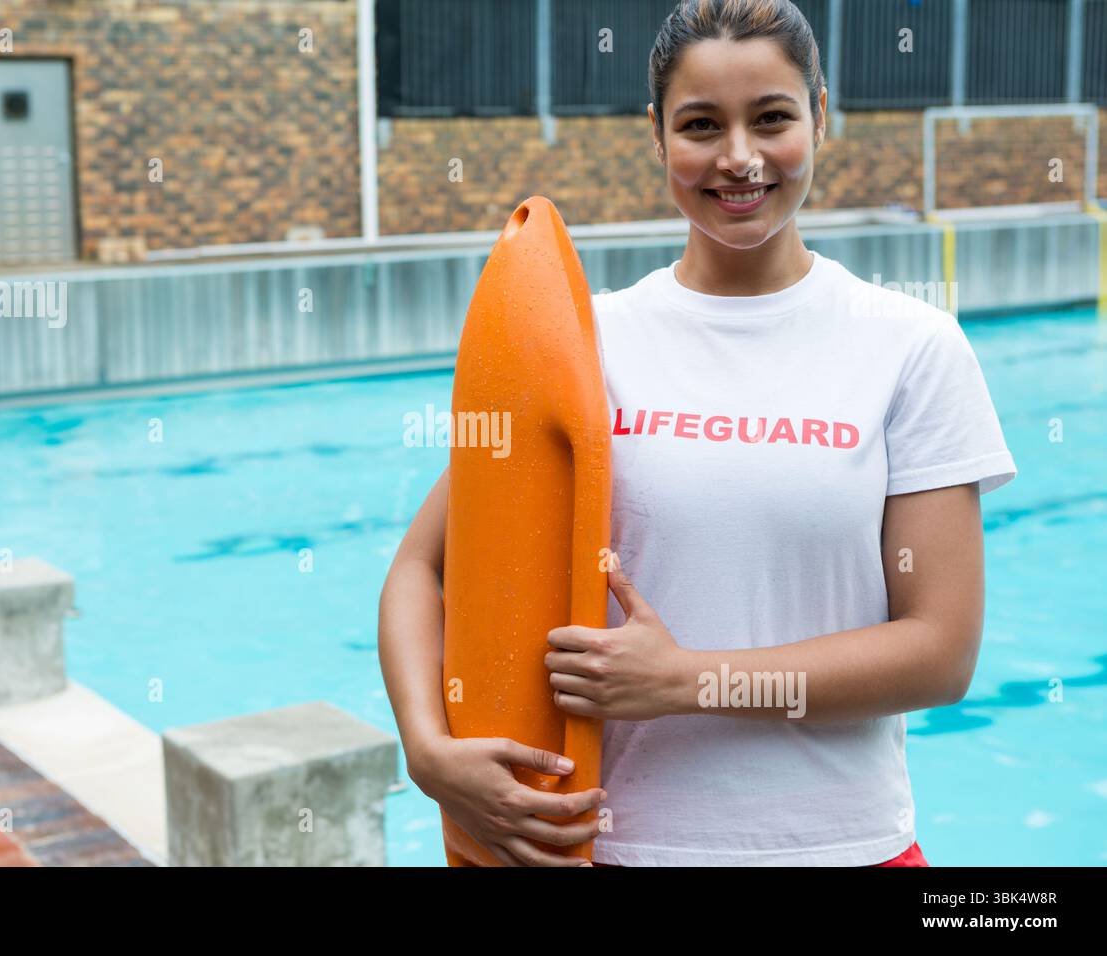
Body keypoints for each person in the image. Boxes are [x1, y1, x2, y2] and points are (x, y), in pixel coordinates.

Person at [377, 0, 1017, 867]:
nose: (740, 159)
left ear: (821, 116)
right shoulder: (587, 341)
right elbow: (421, 569)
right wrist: (427, 753)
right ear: (658, 134)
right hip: (618, 848)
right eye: (702, 126)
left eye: (773, 118)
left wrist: (687, 681)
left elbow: (939, 652)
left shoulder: (910, 345)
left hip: (840, 847)